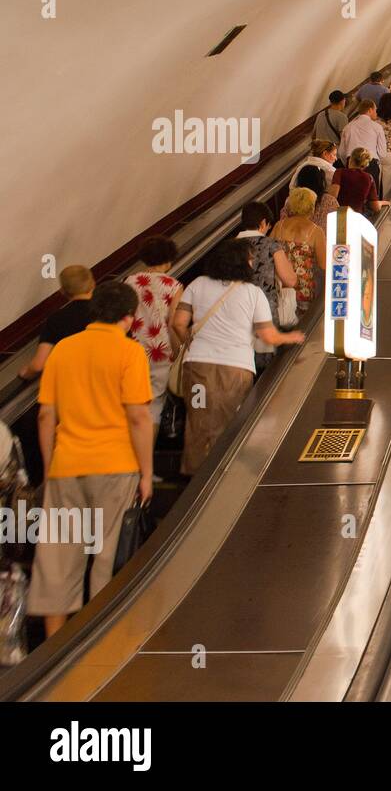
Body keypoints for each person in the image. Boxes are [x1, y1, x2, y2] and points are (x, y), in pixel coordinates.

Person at [29, 281, 153, 636]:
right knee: (104, 560)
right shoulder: (130, 353)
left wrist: (52, 463)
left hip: (67, 466)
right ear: (129, 317)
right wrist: (146, 474)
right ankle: (97, 649)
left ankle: (54, 651)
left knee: (57, 561)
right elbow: (138, 417)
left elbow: (44, 415)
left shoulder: (63, 350)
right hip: (115, 467)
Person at [171, 240, 305, 475]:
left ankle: (193, 479)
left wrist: (190, 343)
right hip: (234, 369)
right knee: (228, 423)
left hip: (198, 367)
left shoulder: (198, 284)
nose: (252, 262)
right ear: (241, 263)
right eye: (250, 258)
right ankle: (220, 476)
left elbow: (178, 323)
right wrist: (291, 338)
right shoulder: (252, 293)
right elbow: (268, 335)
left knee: (197, 420)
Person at [125, 235, 182, 431]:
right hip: (161, 352)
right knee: (154, 405)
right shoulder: (174, 286)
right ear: (168, 260)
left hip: (133, 350)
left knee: (132, 401)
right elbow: (174, 322)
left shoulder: (129, 282)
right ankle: (146, 452)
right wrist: (177, 351)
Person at [235, 203, 296, 370]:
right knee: (266, 368)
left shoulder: (229, 247)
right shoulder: (271, 245)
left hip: (235, 315)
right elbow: (289, 280)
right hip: (265, 315)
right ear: (263, 223)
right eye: (268, 226)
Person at [18, 266, 95, 381]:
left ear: (62, 291)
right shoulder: (109, 310)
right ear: (93, 284)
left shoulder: (56, 319)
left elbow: (38, 365)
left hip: (75, 382)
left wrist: (24, 374)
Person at [270, 189, 327, 317]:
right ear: (312, 207)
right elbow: (323, 265)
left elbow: (268, 253)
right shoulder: (316, 232)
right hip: (303, 289)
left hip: (280, 286)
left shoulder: (279, 226)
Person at [339, 100, 389, 195]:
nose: (376, 112)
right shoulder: (377, 127)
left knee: (352, 194)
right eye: (375, 110)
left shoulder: (348, 127)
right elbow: (382, 153)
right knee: (371, 195)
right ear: (370, 110)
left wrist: (349, 162)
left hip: (351, 163)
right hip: (370, 163)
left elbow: (341, 152)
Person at [280, 164, 340, 230]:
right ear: (321, 182)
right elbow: (339, 226)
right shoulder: (330, 201)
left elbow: (283, 224)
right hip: (325, 239)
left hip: (293, 239)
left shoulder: (292, 200)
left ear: (300, 181)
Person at [334, 148, 389, 215]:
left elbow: (333, 195)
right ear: (366, 164)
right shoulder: (369, 178)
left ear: (351, 159)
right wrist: (382, 202)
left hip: (340, 215)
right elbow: (375, 207)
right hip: (357, 216)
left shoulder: (339, 172)